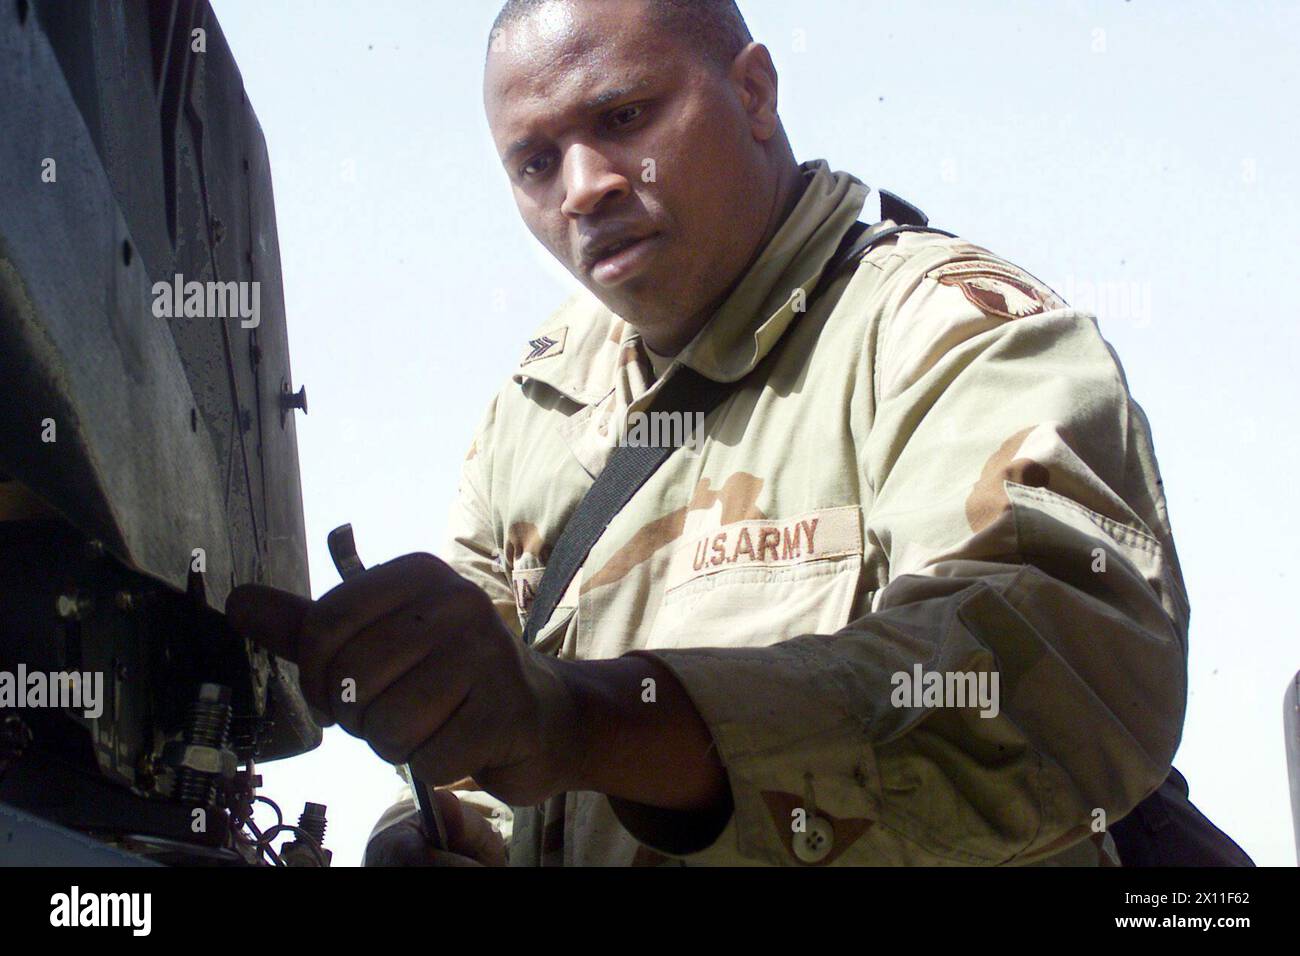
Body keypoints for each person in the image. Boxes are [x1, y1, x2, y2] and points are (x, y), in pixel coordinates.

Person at [226, 0, 1190, 866]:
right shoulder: (535, 407)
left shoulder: (945, 332)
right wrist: (432, 829)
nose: (584, 187)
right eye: (534, 160)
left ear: (754, 92)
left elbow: (1055, 680)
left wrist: (584, 723)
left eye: (623, 119)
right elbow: (482, 752)